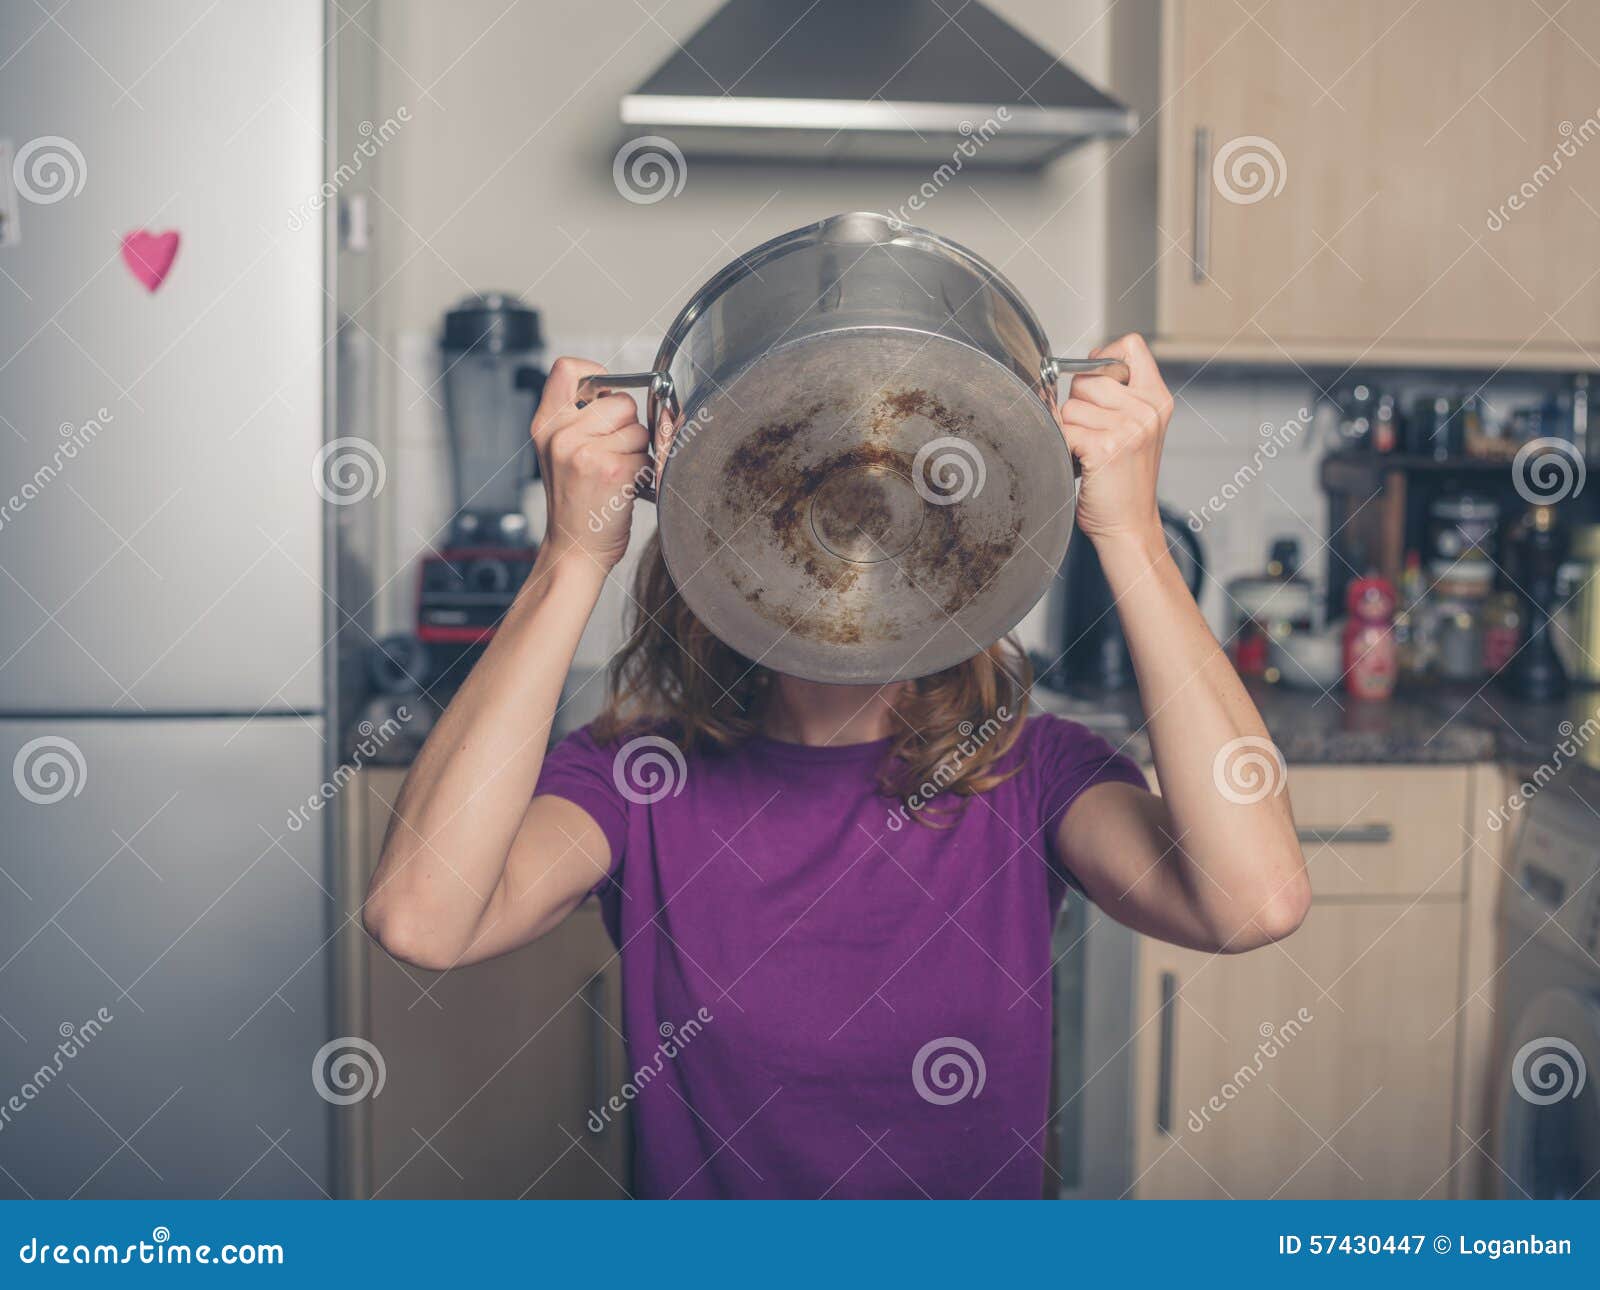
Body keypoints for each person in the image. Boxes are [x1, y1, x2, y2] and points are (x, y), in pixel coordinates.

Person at [363, 334, 1310, 1199]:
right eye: (801, 524)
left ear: (955, 554)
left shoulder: (1032, 771)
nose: (850, 558)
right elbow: (421, 918)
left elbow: (1253, 899)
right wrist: (570, 556)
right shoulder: (636, 779)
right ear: (713, 550)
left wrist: (1133, 537)